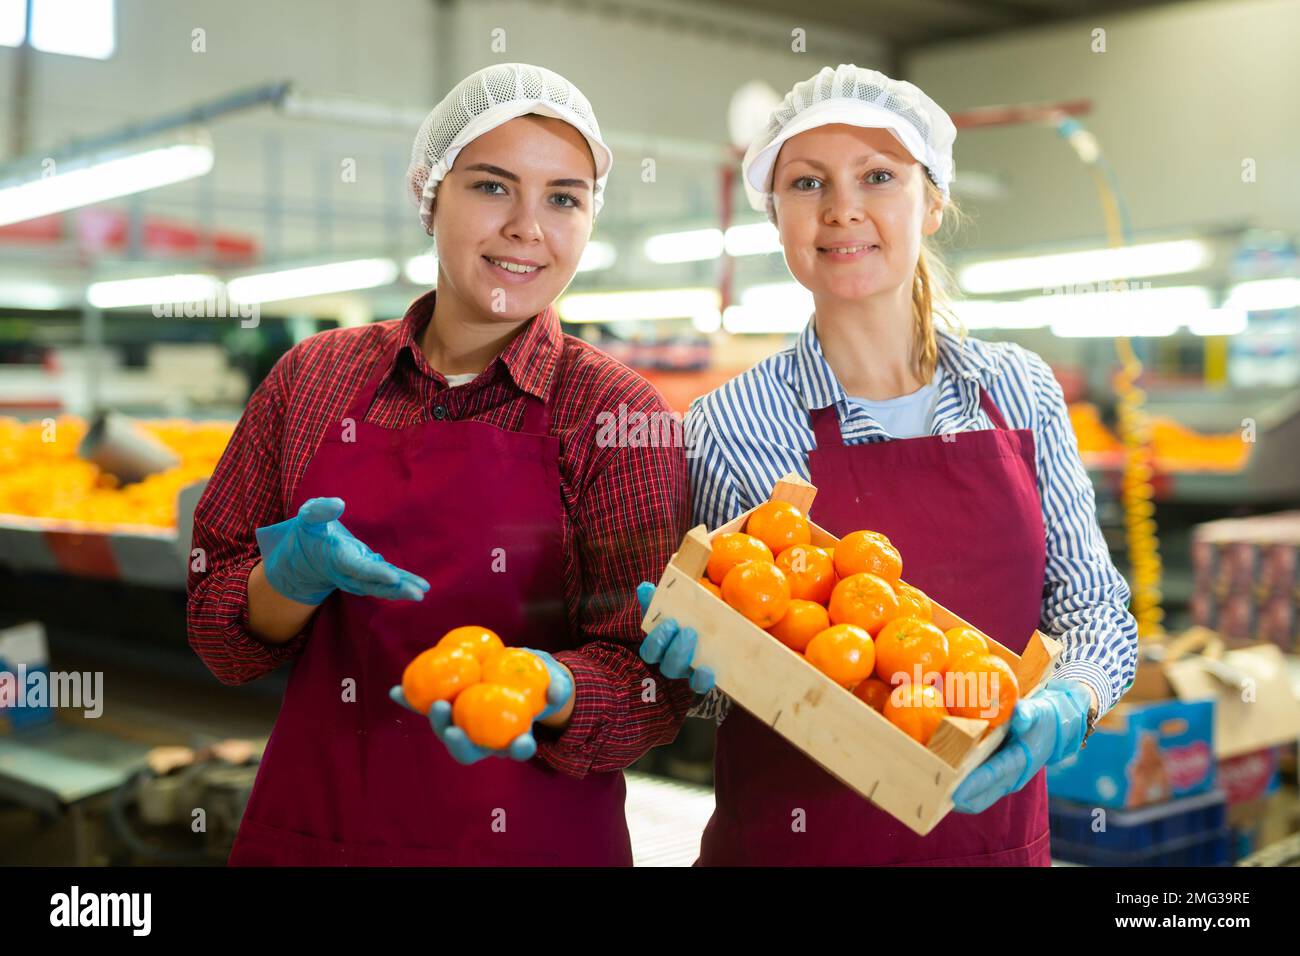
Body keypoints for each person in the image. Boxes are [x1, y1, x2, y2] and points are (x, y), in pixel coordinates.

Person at [187, 63, 693, 866]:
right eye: (493, 187)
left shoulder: (614, 412)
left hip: (532, 839)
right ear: (430, 195)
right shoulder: (312, 378)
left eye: (564, 197)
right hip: (319, 829)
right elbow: (220, 636)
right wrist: (284, 582)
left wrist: (552, 689)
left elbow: (656, 686)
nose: (529, 227)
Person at [638, 64, 1138, 866]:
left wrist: (1071, 702)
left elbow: (1094, 612)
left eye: (878, 176)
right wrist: (683, 671)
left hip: (992, 841)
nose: (843, 209)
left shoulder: (1019, 391)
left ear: (933, 199)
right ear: (776, 215)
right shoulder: (728, 423)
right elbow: (722, 675)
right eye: (808, 184)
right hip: (795, 842)